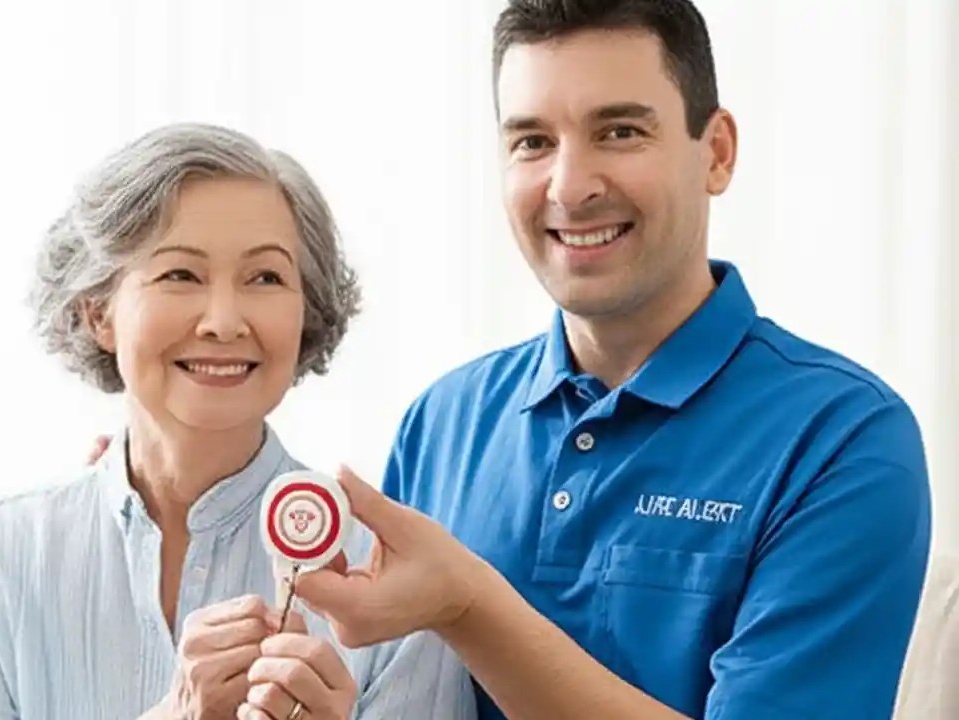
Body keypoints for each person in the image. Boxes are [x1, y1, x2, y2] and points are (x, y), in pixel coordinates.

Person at [286, 2, 932, 719]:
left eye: (619, 132)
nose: (569, 186)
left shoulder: (843, 440)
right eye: (532, 142)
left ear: (716, 152)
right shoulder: (443, 422)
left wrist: (469, 605)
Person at [0, 123, 477, 720]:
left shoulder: (391, 583)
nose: (225, 322)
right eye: (180, 274)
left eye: (266, 278)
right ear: (99, 311)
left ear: (306, 313)